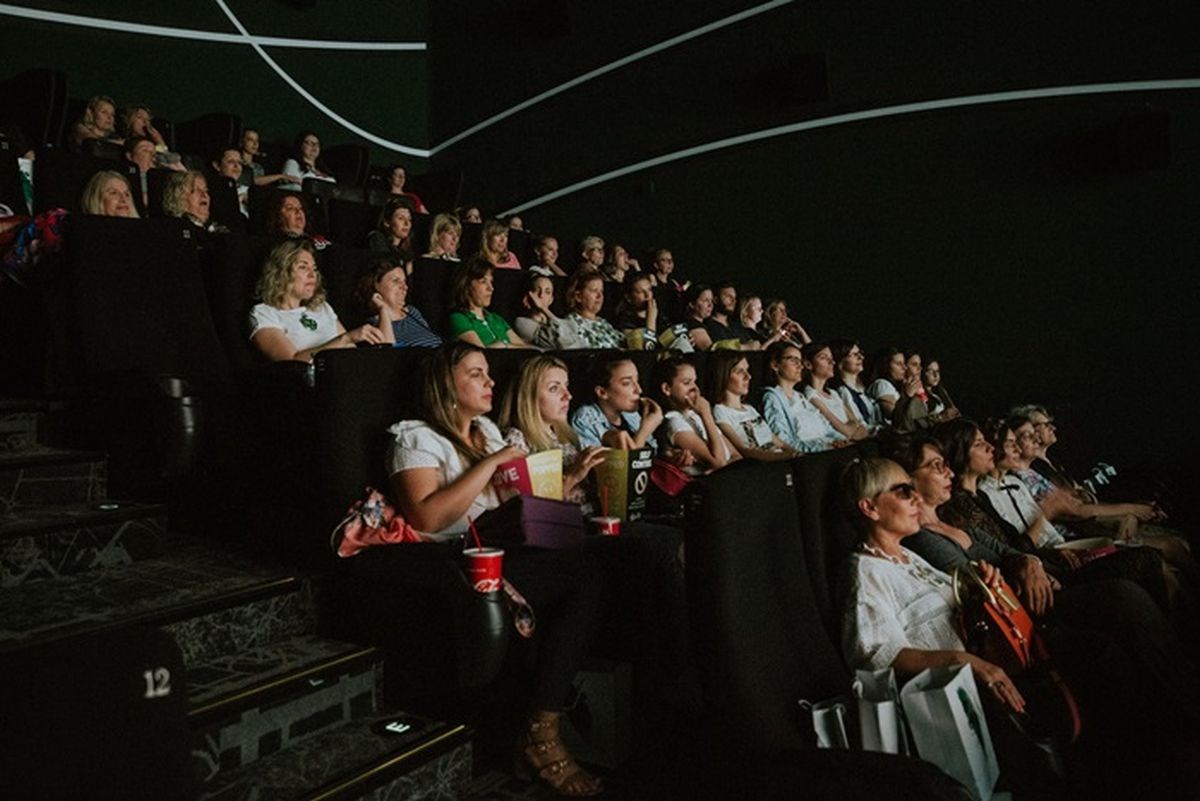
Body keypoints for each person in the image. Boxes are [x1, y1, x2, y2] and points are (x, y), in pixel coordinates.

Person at [387, 343, 604, 796]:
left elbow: (518, 505)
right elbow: (427, 518)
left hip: (505, 546)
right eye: (476, 374)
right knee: (583, 578)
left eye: (488, 374)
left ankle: (542, 721)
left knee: (593, 563)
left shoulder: (487, 431)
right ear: (448, 386)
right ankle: (543, 731)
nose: (489, 382)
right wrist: (490, 463)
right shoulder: (416, 438)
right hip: (453, 561)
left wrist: (571, 481)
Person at [840, 456, 1027, 710]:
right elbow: (878, 655)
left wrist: (984, 588)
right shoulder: (867, 571)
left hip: (998, 669)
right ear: (870, 508)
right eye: (904, 492)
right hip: (961, 701)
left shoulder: (909, 557)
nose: (917, 498)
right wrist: (965, 661)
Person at [499, 355, 607, 508]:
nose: (568, 396)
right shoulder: (515, 441)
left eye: (566, 386)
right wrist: (571, 477)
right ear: (529, 397)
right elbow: (528, 512)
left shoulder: (565, 435)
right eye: (554, 388)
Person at [249, 239, 383, 361]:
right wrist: (346, 338)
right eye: (303, 267)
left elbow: (351, 352)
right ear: (280, 272)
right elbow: (292, 363)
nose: (312, 274)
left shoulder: (322, 307)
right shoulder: (264, 313)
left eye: (314, 268)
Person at [709, 351, 797, 461]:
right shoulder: (720, 411)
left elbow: (779, 442)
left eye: (747, 370)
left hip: (781, 458)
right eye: (740, 372)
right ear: (724, 375)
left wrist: (795, 454)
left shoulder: (750, 409)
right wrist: (785, 457)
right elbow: (744, 450)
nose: (748, 376)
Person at [655, 355, 737, 472]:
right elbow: (718, 462)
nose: (694, 387)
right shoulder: (674, 421)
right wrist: (706, 415)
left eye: (695, 381)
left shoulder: (695, 415)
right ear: (667, 389)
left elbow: (736, 455)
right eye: (687, 382)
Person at [761, 341, 845, 453]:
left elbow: (825, 427)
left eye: (800, 361)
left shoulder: (800, 397)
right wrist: (824, 448)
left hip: (826, 448)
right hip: (809, 456)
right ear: (775, 365)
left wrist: (841, 440)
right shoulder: (772, 397)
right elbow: (783, 440)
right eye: (793, 361)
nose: (800, 366)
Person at [570, 355, 665, 452]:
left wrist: (668, 453)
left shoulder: (630, 414)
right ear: (602, 392)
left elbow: (651, 451)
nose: (639, 390)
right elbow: (627, 465)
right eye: (627, 383)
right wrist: (644, 431)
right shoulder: (584, 419)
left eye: (637, 381)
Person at [357, 256, 442, 348]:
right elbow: (386, 351)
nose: (405, 287)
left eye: (404, 281)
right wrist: (383, 309)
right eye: (396, 281)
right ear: (375, 286)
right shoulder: (373, 324)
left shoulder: (412, 312)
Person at [447, 261, 531, 349]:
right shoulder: (459, 318)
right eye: (483, 281)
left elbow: (524, 348)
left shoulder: (496, 318)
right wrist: (504, 346)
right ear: (466, 286)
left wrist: (503, 345)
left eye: (491, 282)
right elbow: (481, 353)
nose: (491, 288)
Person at [802, 342, 870, 441]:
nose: (832, 362)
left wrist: (853, 429)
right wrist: (852, 430)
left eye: (831, 358)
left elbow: (856, 422)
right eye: (824, 358)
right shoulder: (810, 394)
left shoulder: (833, 393)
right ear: (808, 364)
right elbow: (845, 430)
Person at [867, 347, 930, 430]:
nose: (904, 368)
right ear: (886, 365)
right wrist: (907, 395)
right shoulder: (881, 384)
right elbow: (895, 418)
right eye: (898, 364)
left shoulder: (896, 387)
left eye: (904, 363)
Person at [514, 274, 581, 350]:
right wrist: (542, 308)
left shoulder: (565, 321)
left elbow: (576, 346)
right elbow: (560, 344)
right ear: (529, 295)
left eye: (547, 292)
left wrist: (544, 309)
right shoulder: (521, 322)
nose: (541, 295)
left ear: (551, 300)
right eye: (537, 290)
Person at [830, 338, 884, 430]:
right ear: (840, 362)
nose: (861, 357)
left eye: (860, 353)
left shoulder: (862, 388)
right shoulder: (843, 392)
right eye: (854, 355)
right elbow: (859, 425)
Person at [563, 268, 624, 349]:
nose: (600, 296)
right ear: (578, 296)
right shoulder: (570, 324)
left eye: (601, 291)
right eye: (594, 291)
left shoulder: (604, 323)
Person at [162, 170, 227, 233]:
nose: (204, 195)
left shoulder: (219, 231)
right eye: (195, 190)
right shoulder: (174, 231)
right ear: (179, 197)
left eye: (206, 191)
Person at [367, 198, 415, 269]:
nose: (407, 223)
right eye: (401, 218)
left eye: (409, 219)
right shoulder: (377, 238)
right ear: (387, 222)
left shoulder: (406, 250)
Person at [212, 146, 249, 218]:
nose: (236, 166)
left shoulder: (248, 190)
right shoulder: (211, 188)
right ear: (217, 165)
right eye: (231, 162)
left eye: (239, 163)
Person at [682, 284, 714, 351]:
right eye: (705, 300)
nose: (710, 305)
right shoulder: (693, 326)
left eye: (711, 300)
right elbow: (711, 349)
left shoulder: (708, 324)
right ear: (692, 304)